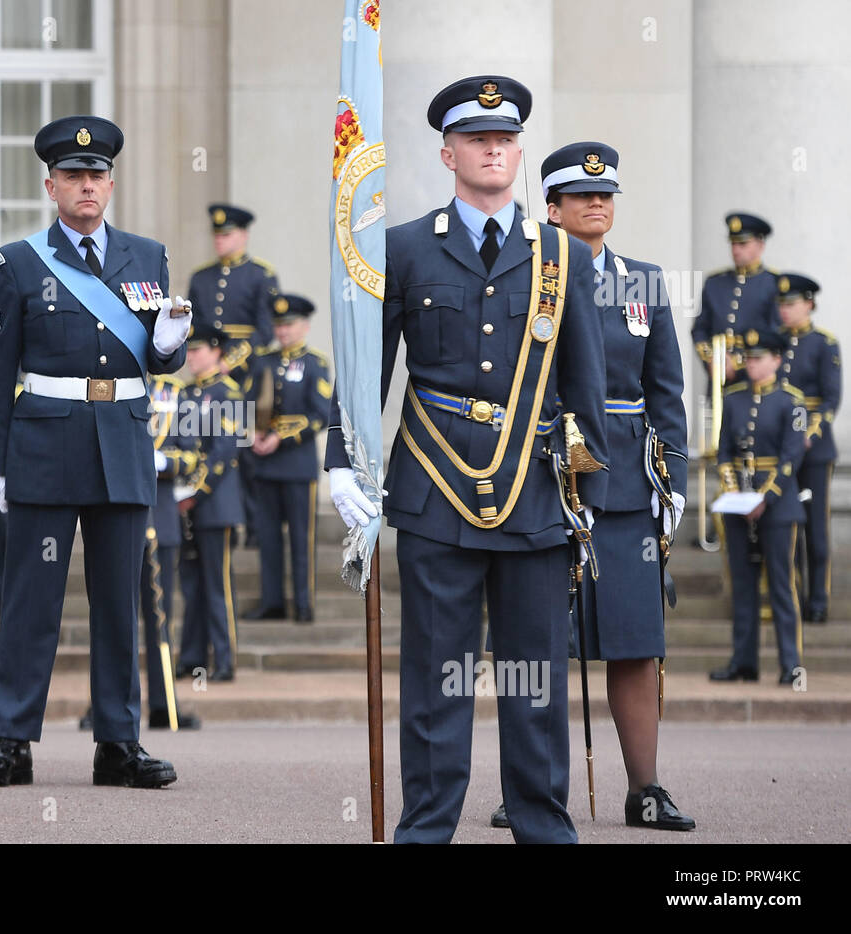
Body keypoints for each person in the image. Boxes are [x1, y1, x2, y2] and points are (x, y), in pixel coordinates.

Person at [326, 76, 608, 844]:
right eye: (478, 139)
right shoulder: (405, 248)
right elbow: (366, 366)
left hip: (534, 496)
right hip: (433, 493)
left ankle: (543, 827)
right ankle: (426, 830)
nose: (494, 148)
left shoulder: (560, 258)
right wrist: (342, 459)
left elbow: (585, 382)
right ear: (448, 153)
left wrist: (590, 493)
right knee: (434, 683)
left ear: (519, 152)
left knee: (537, 681)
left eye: (506, 138)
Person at [0, 115, 192, 789]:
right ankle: (13, 740)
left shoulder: (146, 255)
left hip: (120, 441)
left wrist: (172, 343)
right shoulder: (17, 261)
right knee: (31, 600)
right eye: (73, 177)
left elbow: (159, 362)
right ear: (51, 185)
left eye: (95, 176)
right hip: (43, 445)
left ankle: (118, 742)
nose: (85, 186)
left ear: (111, 184)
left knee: (120, 602)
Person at [490, 142, 694, 832]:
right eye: (580, 196)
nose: (597, 204)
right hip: (544, 475)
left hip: (629, 488)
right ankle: (528, 790)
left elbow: (665, 392)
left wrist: (676, 485)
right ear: (550, 208)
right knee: (535, 640)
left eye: (605, 195)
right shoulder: (523, 275)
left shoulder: (642, 281)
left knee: (637, 641)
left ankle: (647, 787)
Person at [77, 371, 202, 730]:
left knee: (160, 620)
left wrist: (164, 462)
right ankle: (105, 706)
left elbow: (193, 457)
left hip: (158, 518)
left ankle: (164, 706)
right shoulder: (108, 382)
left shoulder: (180, 395)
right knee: (113, 615)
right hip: (112, 509)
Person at [709, 329, 808, 684]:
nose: (751, 364)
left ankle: (792, 666)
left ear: (777, 360)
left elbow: (791, 457)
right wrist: (735, 493)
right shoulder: (733, 398)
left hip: (778, 508)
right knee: (743, 586)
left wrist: (766, 497)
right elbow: (724, 453)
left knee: (782, 586)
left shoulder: (790, 401)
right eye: (748, 359)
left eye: (759, 358)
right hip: (739, 505)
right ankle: (744, 662)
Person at [188, 204, 280, 547]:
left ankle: (254, 525)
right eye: (217, 236)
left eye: (227, 235)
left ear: (243, 236)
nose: (220, 242)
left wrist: (233, 359)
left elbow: (265, 328)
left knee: (246, 447)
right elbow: (194, 327)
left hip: (247, 376)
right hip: (211, 376)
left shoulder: (260, 275)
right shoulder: (201, 278)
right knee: (210, 442)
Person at [242, 294, 333, 622]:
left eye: (290, 325)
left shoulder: (315, 363)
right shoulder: (263, 361)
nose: (283, 332)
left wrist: (281, 436)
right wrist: (252, 434)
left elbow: (320, 414)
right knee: (267, 538)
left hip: (297, 464)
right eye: (279, 326)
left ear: (305, 326)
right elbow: (247, 406)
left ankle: (304, 603)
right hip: (264, 465)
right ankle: (272, 601)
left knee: (301, 538)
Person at [174, 322, 246, 682]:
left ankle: (225, 658)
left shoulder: (229, 394)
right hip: (185, 505)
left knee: (218, 586)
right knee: (191, 583)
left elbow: (224, 453)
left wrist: (194, 492)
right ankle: (191, 656)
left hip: (215, 504)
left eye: (199, 349)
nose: (192, 356)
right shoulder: (185, 394)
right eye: (189, 349)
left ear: (217, 352)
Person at [775, 274, 840, 623]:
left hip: (813, 452)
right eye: (782, 304)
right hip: (784, 450)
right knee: (789, 528)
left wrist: (805, 437)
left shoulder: (824, 344)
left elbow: (829, 402)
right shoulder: (776, 344)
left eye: (792, 304)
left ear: (809, 304)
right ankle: (794, 596)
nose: (786, 310)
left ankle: (818, 598)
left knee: (815, 527)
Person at [692, 213, 780, 384]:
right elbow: (700, 330)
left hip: (755, 380)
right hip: (719, 378)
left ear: (760, 245)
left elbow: (777, 334)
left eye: (743, 243)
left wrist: (738, 362)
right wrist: (712, 358)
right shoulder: (715, 283)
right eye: (733, 243)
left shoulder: (773, 283)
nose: (736, 250)